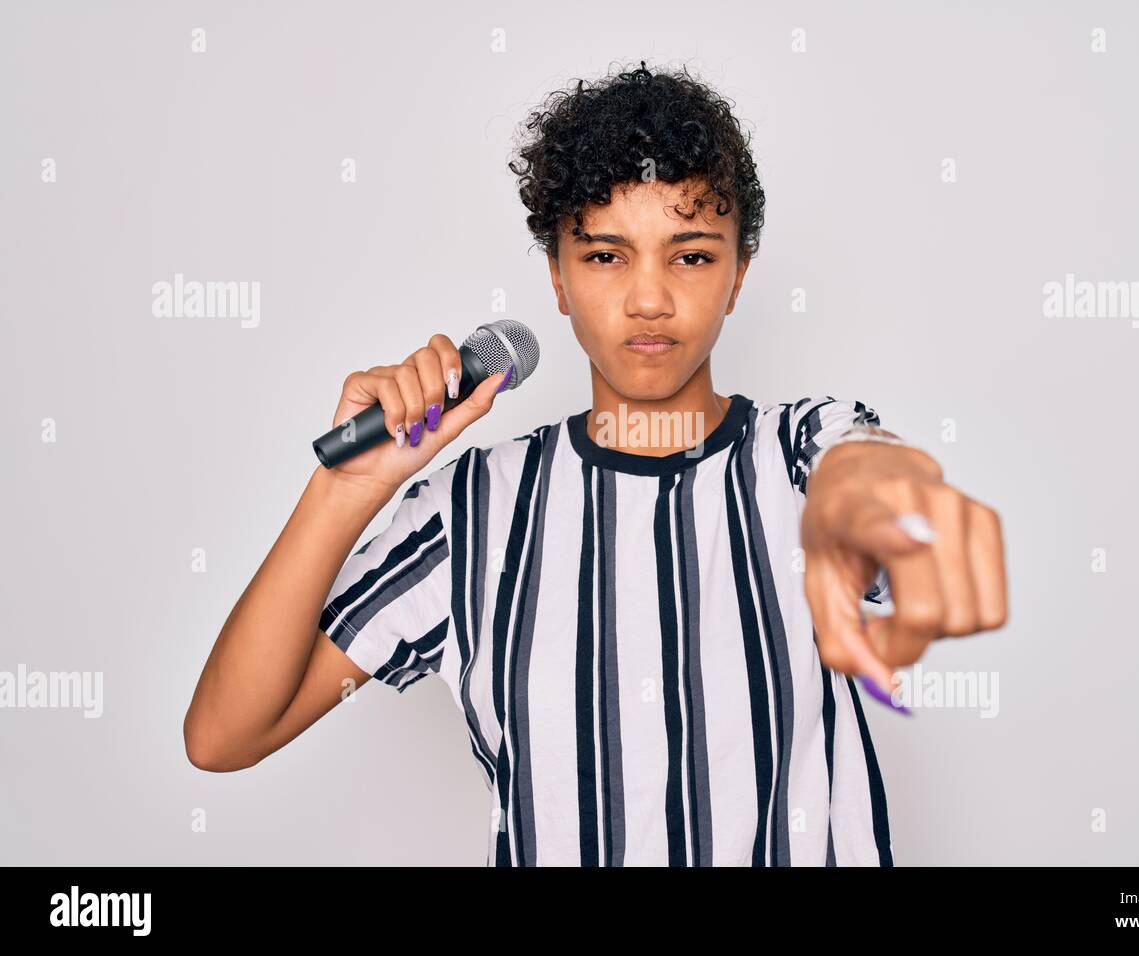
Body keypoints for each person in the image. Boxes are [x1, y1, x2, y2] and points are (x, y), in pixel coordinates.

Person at [184, 62, 1007, 866]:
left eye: (690, 256)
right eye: (607, 256)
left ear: (738, 276)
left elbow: (897, 511)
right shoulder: (468, 512)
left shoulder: (802, 452)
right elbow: (225, 737)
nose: (649, 299)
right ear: (557, 278)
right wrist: (346, 490)